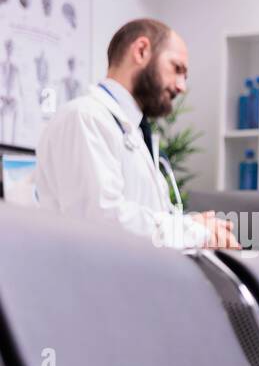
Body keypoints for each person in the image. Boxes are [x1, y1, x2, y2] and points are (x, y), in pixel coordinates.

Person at [33, 18, 236, 249]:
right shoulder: (84, 117)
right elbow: (101, 220)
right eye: (177, 68)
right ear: (141, 51)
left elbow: (144, 219)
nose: (181, 87)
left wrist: (189, 225)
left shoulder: (133, 131)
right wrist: (192, 231)